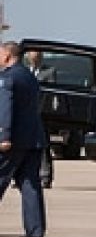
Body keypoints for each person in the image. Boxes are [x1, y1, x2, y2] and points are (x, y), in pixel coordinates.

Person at [0, 42, 48, 237]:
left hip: (13, 141)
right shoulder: (29, 76)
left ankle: (35, 231)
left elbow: (5, 109)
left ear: (8, 56)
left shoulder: (8, 79)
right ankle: (35, 231)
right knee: (30, 185)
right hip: (34, 139)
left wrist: (4, 136)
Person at [24, 51, 54, 190]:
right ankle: (22, 176)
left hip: (41, 114)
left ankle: (45, 176)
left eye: (37, 56)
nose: (34, 58)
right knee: (23, 146)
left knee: (43, 146)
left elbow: (52, 92)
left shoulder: (49, 72)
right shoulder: (23, 71)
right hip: (24, 114)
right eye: (32, 56)